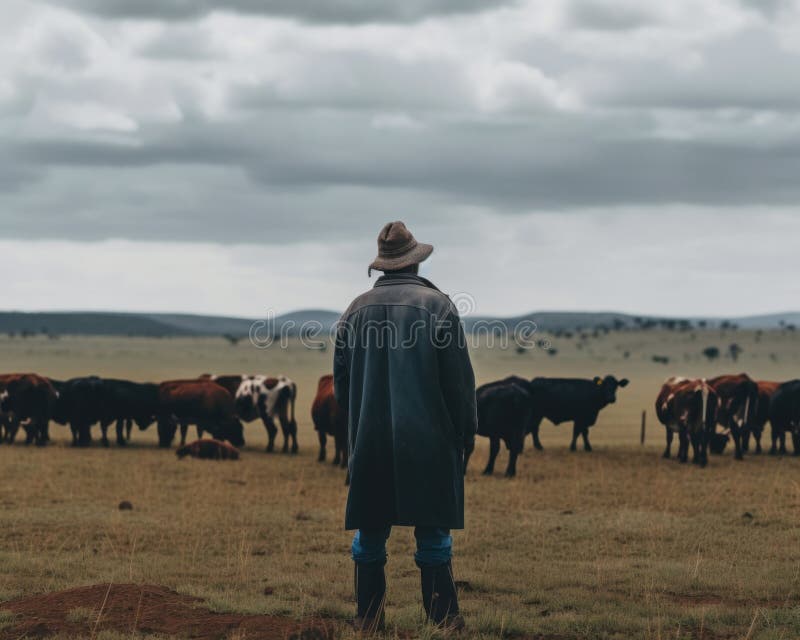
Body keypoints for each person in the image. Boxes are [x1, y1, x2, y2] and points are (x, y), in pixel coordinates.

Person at [333, 221, 478, 633]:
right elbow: (460, 384)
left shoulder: (354, 310)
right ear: (415, 261)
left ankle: (368, 619)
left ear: (382, 266)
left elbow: (341, 385)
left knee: (369, 532)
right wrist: (465, 433)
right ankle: (444, 619)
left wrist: (359, 424)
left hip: (370, 438)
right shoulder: (439, 307)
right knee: (433, 532)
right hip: (429, 441)